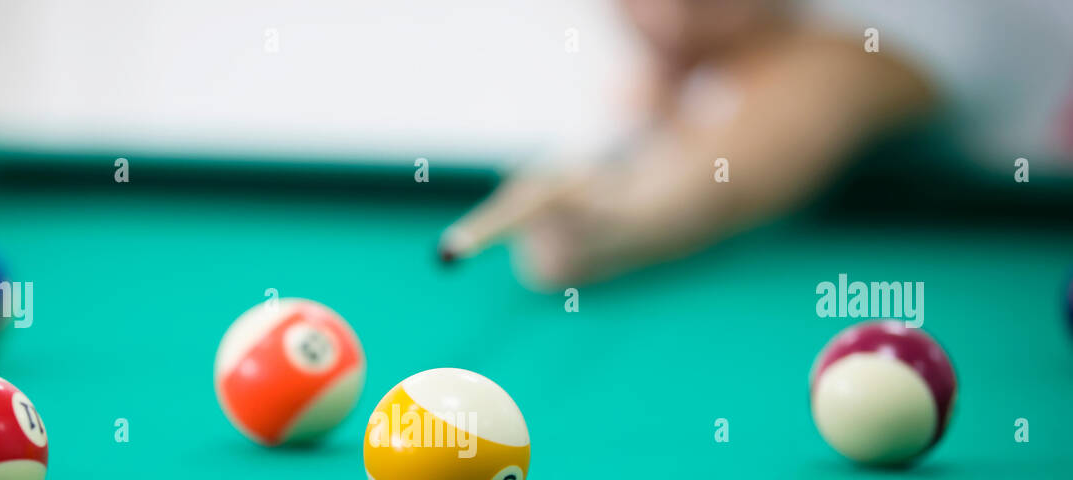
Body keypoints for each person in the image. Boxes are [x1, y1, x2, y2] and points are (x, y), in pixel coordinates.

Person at [440, 0, 1073, 288]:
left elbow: (790, 118)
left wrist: (634, 212)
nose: (669, 21)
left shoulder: (896, 20)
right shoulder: (713, 31)